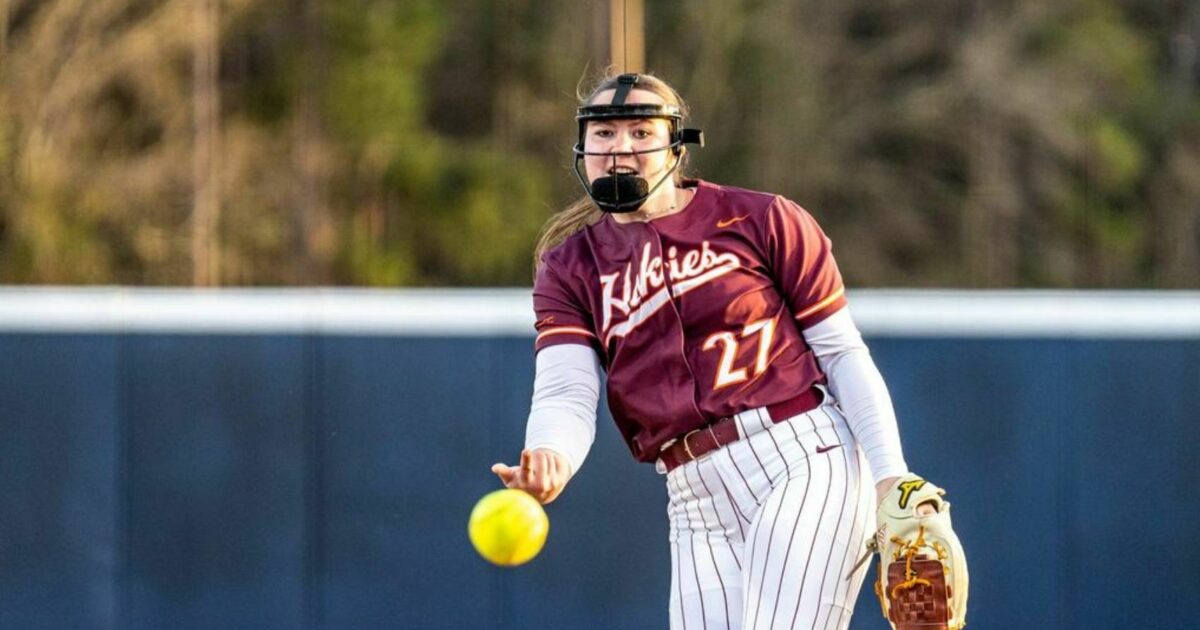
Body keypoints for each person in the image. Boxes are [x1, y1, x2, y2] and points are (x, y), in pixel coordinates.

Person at [492, 72, 935, 630]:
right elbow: (566, 389)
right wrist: (550, 452)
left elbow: (843, 354)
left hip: (800, 456)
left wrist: (891, 476)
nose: (619, 148)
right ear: (583, 146)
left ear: (677, 146)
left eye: (640, 132)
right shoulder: (569, 267)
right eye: (603, 133)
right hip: (691, 492)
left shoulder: (763, 218)